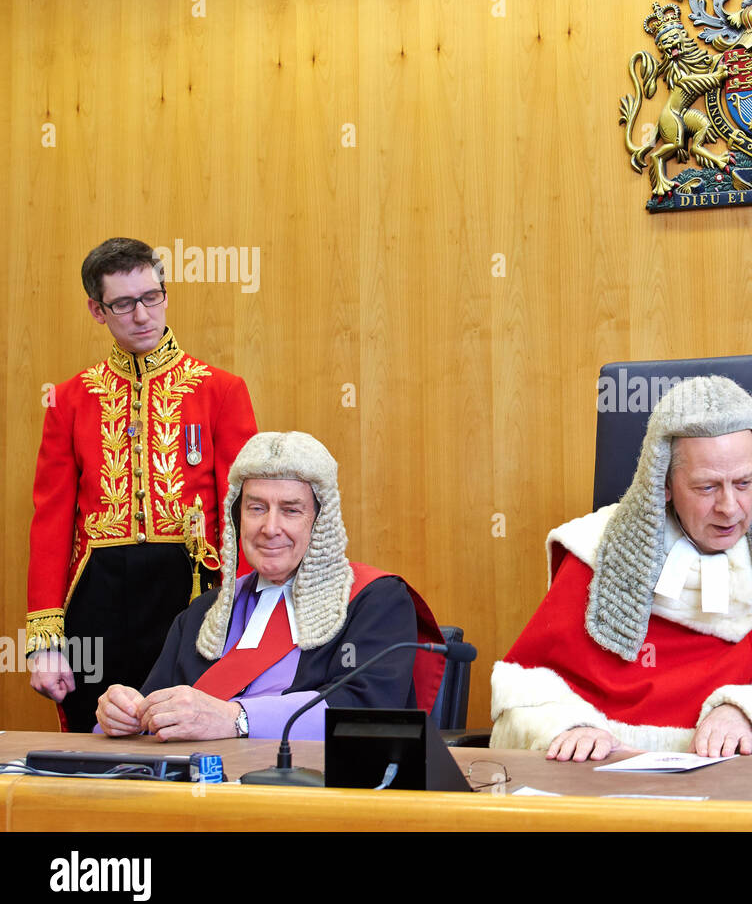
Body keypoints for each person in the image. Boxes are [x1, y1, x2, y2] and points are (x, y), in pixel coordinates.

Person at [491, 376, 752, 761]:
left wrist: (749, 712)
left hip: (751, 786)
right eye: (707, 488)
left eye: (744, 483)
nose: (730, 507)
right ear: (663, 483)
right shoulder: (597, 554)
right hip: (612, 789)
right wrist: (571, 727)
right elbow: (526, 694)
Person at [27, 237, 258, 732]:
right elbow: (49, 520)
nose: (142, 314)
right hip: (98, 596)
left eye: (152, 296)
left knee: (185, 736)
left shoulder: (220, 390)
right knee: (100, 740)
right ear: (97, 309)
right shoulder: (68, 400)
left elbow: (247, 512)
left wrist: (247, 618)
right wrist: (44, 642)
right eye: (124, 303)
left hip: (191, 591)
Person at [95, 431, 445, 741]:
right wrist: (122, 715)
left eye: (290, 510)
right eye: (256, 508)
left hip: (312, 793)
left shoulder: (376, 600)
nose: (270, 527)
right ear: (238, 518)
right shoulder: (205, 612)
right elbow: (153, 708)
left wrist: (237, 719)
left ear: (319, 521)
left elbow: (367, 714)